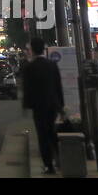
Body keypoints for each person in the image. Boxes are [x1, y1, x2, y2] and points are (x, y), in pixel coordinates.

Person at [23, 38, 65, 175]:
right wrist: (61, 106)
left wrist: (27, 105)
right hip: (52, 104)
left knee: (42, 135)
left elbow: (27, 89)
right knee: (52, 132)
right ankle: (60, 160)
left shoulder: (29, 67)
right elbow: (58, 86)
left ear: (33, 50)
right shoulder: (52, 65)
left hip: (38, 106)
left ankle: (49, 165)